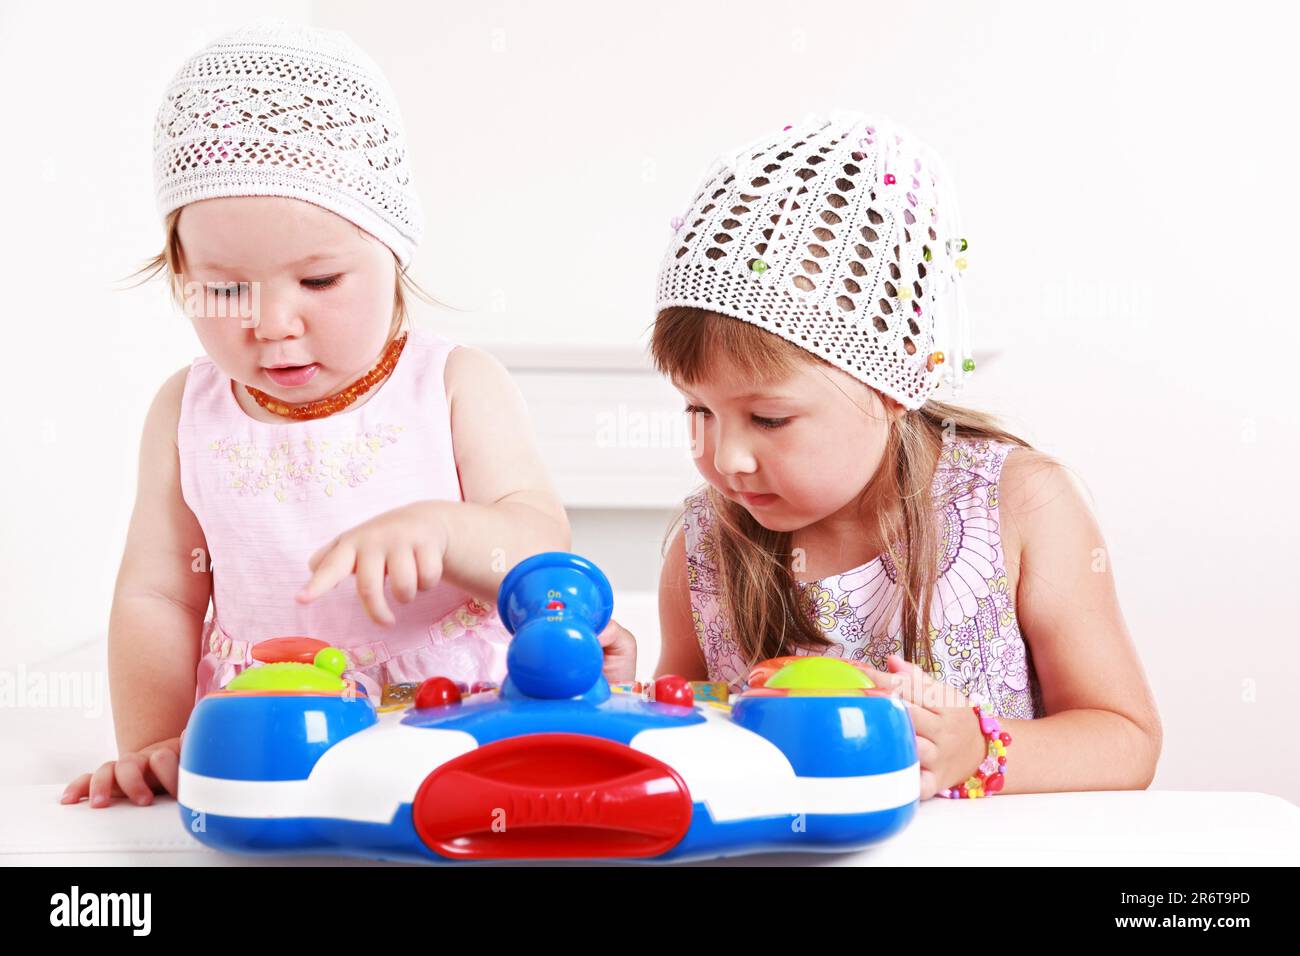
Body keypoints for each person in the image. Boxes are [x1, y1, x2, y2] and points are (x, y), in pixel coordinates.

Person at [61, 20, 568, 808]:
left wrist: (446, 529)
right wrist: (156, 743)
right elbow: (159, 594)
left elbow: (539, 544)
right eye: (226, 288)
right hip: (265, 735)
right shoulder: (186, 412)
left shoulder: (452, 384)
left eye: (321, 281)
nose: (271, 323)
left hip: (457, 728)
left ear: (393, 254)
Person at [600, 111, 1162, 800]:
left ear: (894, 378)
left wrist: (978, 750)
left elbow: (1126, 740)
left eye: (769, 418)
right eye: (699, 411)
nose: (729, 459)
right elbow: (693, 745)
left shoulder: (1020, 507)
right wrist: (622, 700)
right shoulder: (705, 547)